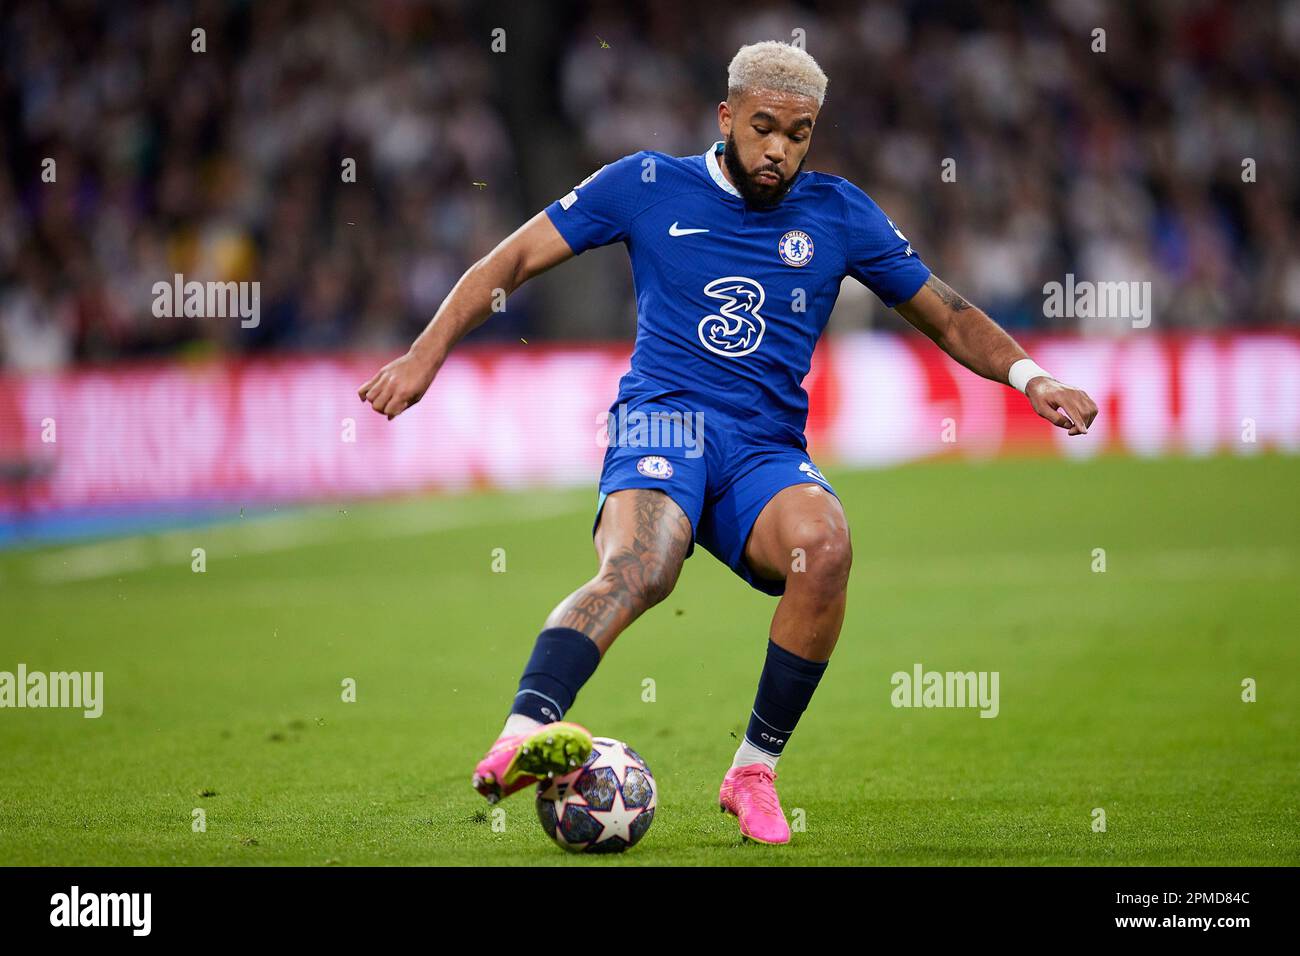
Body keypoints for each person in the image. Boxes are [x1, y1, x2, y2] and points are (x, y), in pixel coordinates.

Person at [357, 40, 1098, 845]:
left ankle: (752, 769)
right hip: (663, 419)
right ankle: (521, 733)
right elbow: (517, 256)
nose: (780, 149)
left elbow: (947, 312)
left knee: (826, 546)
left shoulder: (840, 213)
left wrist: (1032, 378)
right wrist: (425, 353)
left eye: (800, 133)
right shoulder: (646, 183)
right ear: (728, 116)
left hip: (763, 447)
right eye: (765, 126)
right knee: (645, 564)